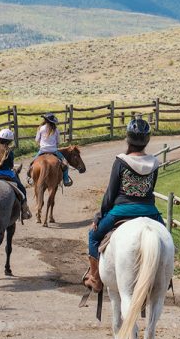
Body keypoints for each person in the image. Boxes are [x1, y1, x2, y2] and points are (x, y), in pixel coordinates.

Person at [82, 117, 166, 293]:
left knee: (93, 236)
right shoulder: (154, 163)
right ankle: (166, 278)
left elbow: (110, 194)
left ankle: (95, 278)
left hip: (120, 211)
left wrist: (100, 214)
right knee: (167, 241)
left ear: (128, 138)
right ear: (147, 140)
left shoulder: (121, 161)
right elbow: (150, 191)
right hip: (150, 211)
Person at [0, 127, 28, 208]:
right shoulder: (9, 152)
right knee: (22, 189)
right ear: (9, 142)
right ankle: (24, 209)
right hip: (8, 175)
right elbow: (11, 166)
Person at [35, 113, 72, 187]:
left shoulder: (41, 128)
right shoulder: (56, 130)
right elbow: (58, 141)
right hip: (53, 151)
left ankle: (30, 178)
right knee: (65, 164)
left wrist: (41, 144)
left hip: (42, 150)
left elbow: (37, 140)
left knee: (32, 163)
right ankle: (66, 180)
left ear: (45, 120)